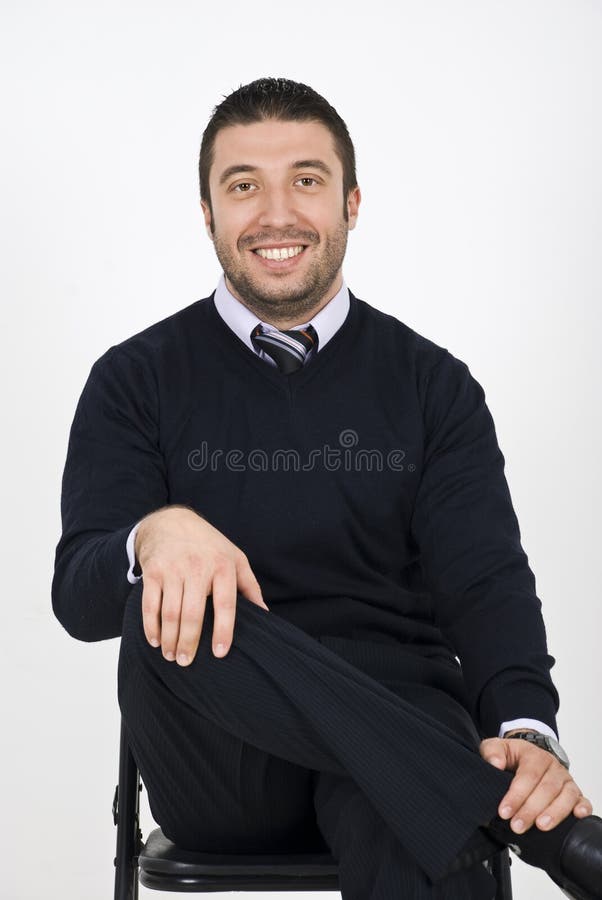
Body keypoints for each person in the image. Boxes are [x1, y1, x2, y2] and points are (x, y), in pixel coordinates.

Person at [52, 77, 602, 899]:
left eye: (306, 181)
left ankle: (450, 787)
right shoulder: (135, 380)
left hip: (399, 729)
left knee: (409, 811)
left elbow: (486, 584)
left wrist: (527, 732)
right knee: (164, 601)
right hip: (221, 764)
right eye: (244, 187)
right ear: (208, 213)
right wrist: (153, 535)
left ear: (350, 203)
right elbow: (79, 598)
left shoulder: (433, 387)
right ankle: (538, 831)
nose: (276, 214)